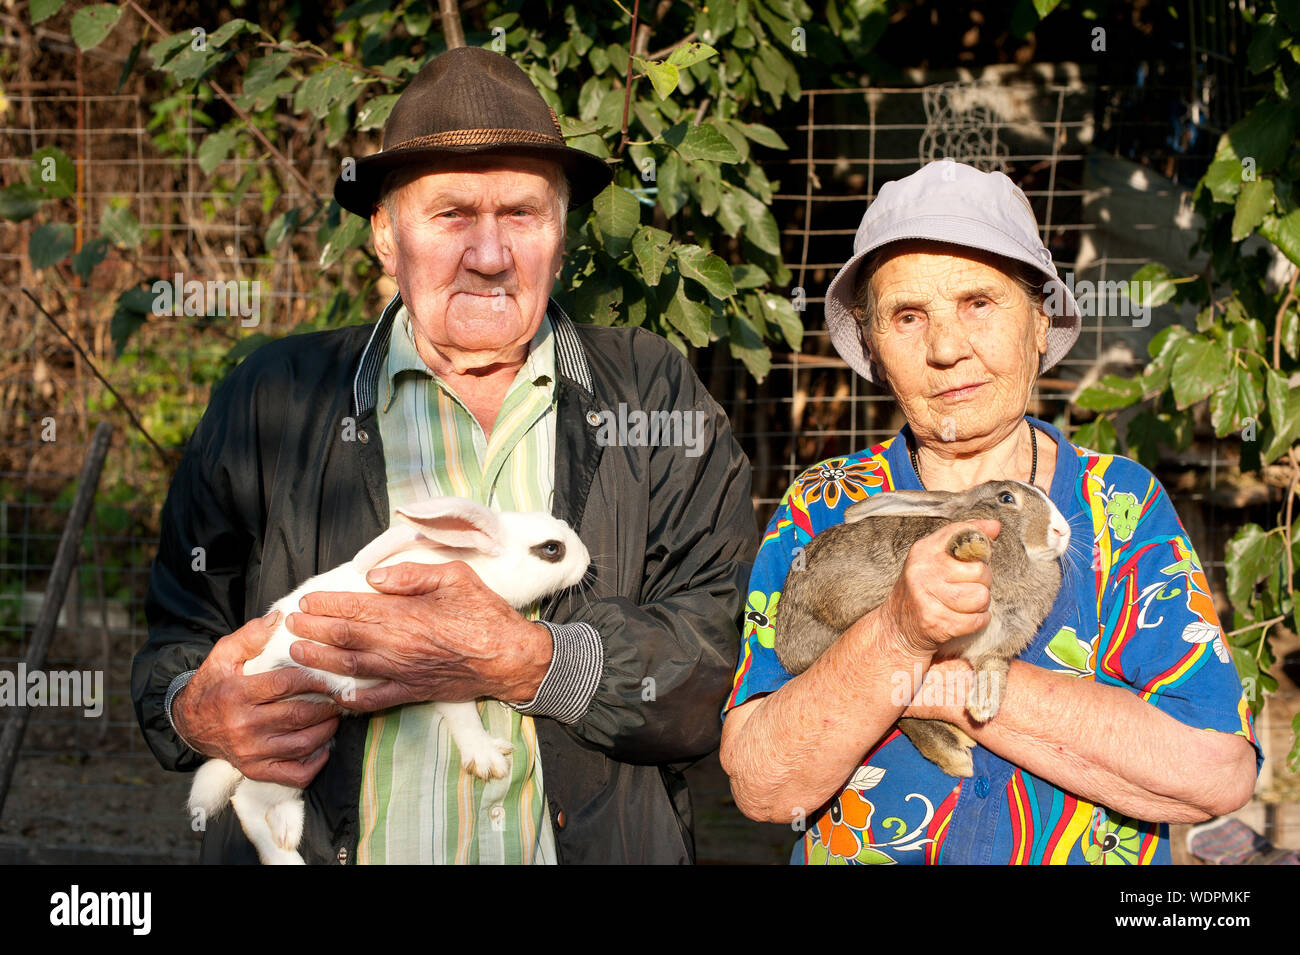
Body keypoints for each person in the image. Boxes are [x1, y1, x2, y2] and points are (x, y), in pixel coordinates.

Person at [132, 46, 756, 865]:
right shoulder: (273, 397)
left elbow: (716, 654)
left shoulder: (652, 393)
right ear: (386, 237)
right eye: (453, 215)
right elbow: (176, 640)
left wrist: (531, 660)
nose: (491, 254)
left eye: (523, 215)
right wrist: (196, 709)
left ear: (561, 236)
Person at [719, 160, 1261, 865]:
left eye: (979, 302)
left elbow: (1214, 776)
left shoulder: (1119, 506)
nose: (947, 349)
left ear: (1040, 321)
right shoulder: (828, 506)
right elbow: (764, 786)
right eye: (908, 317)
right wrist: (896, 633)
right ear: (876, 348)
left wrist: (942, 681)